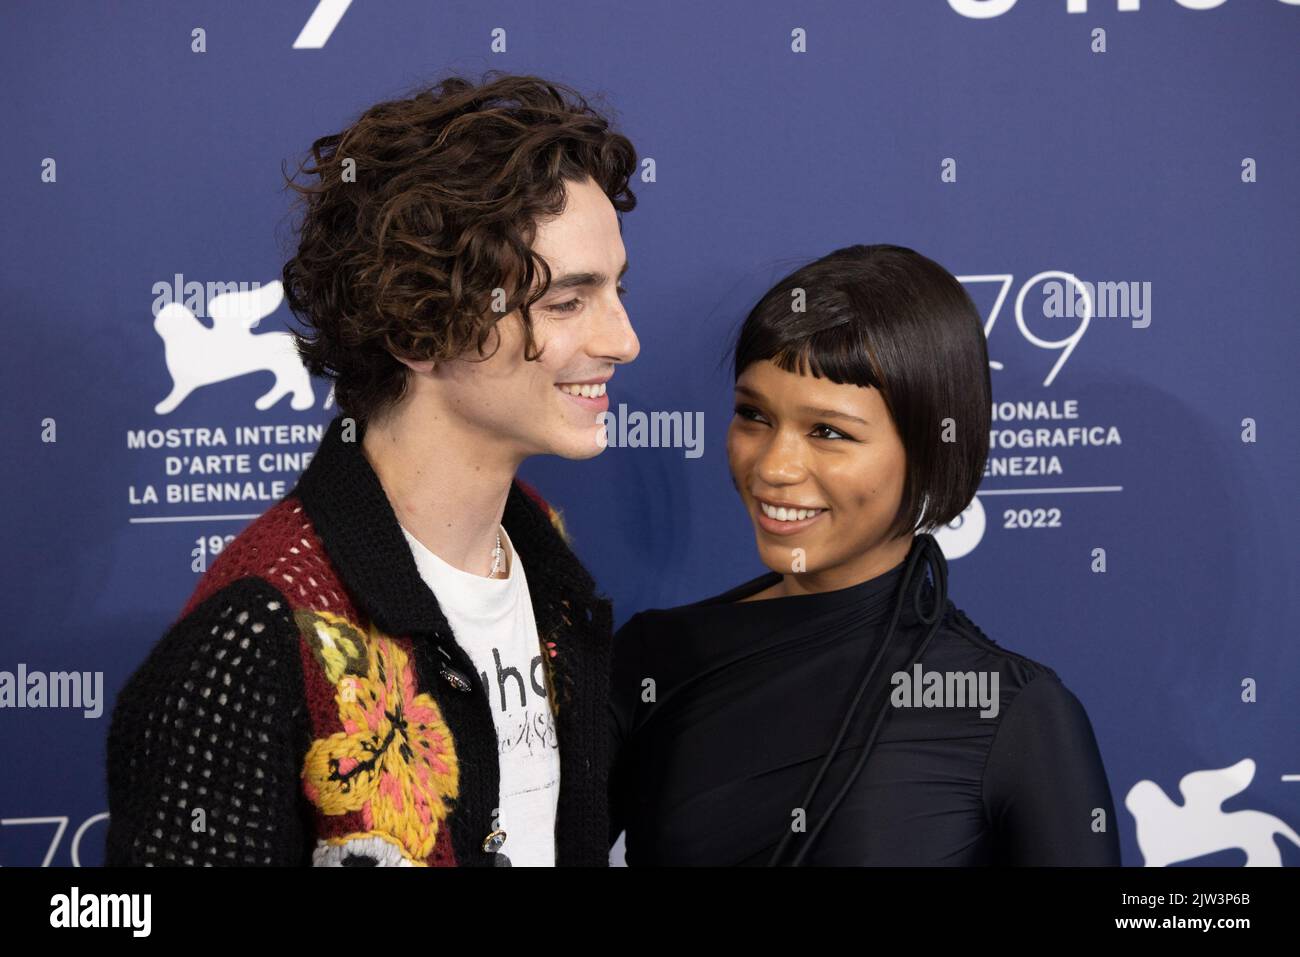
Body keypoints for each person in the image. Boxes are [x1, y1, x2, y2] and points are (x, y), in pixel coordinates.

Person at [105, 72, 640, 866]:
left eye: (617, 289)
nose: (623, 340)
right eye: (567, 302)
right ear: (419, 328)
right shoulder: (255, 632)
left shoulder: (544, 554)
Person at [608, 244, 1121, 866]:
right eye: (753, 416)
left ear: (932, 449)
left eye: (828, 432)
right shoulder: (652, 658)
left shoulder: (1016, 712)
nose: (773, 466)